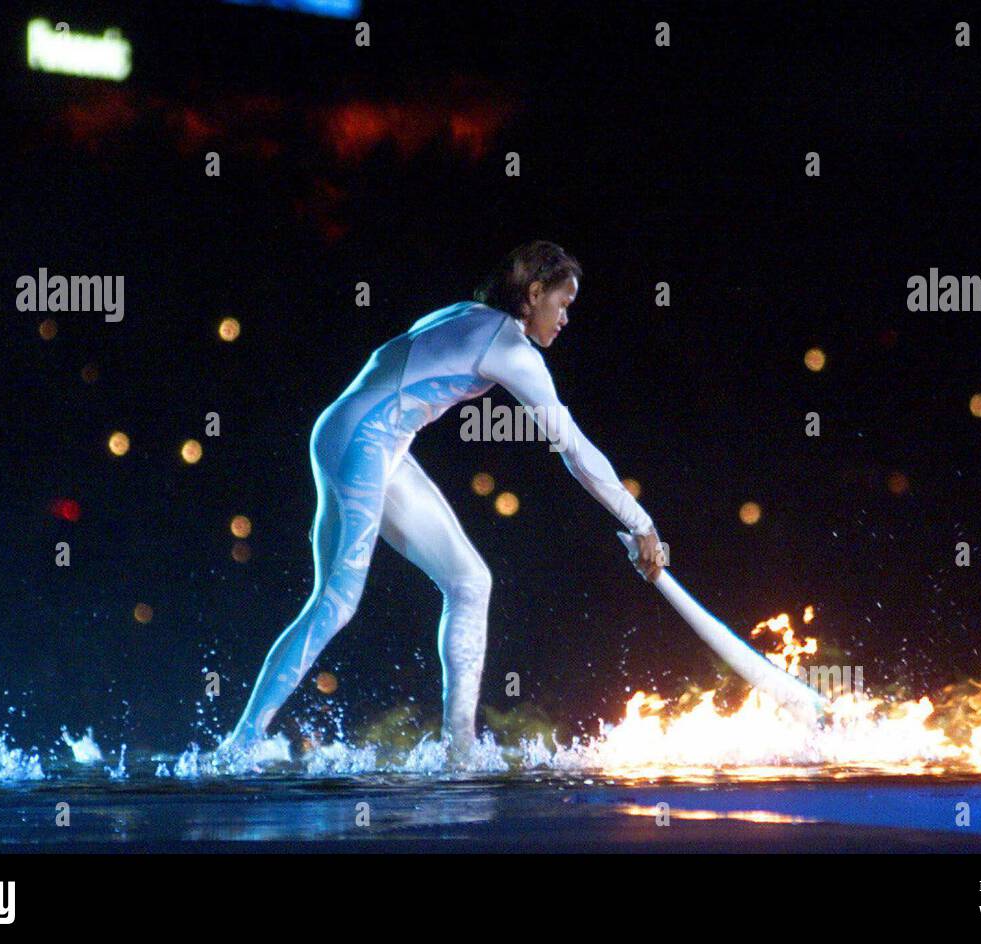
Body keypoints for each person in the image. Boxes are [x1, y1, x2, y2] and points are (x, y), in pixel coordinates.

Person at [221, 240, 665, 761]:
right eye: (562, 303)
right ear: (534, 292)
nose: (566, 317)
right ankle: (240, 745)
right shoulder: (509, 347)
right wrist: (641, 523)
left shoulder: (468, 314)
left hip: (371, 441)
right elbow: (575, 451)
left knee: (471, 582)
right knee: (337, 601)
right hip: (361, 441)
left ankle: (459, 751)